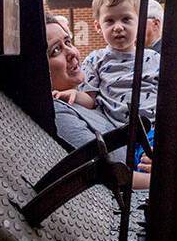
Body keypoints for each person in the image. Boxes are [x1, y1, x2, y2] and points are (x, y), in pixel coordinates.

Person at [44, 13, 151, 189]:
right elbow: (113, 174)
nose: (71, 52)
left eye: (68, 42)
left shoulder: (89, 96)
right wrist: (164, 178)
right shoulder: (58, 112)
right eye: (56, 50)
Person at [62, 0, 160, 127]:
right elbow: (90, 100)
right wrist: (75, 95)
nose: (118, 27)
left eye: (126, 19)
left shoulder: (154, 59)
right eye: (110, 20)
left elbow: (171, 99)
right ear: (98, 26)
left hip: (155, 132)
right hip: (117, 136)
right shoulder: (95, 60)